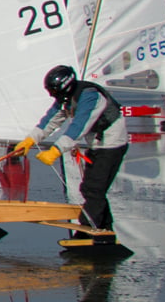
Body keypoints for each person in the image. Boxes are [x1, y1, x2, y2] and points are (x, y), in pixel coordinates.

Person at [26, 65, 127, 241]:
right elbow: (50, 119)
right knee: (91, 189)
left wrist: (56, 150)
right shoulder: (65, 97)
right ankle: (106, 231)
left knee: (93, 189)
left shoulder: (90, 96)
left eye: (53, 91)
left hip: (112, 143)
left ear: (64, 85)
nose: (51, 96)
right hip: (97, 144)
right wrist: (29, 140)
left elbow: (80, 126)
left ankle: (86, 231)